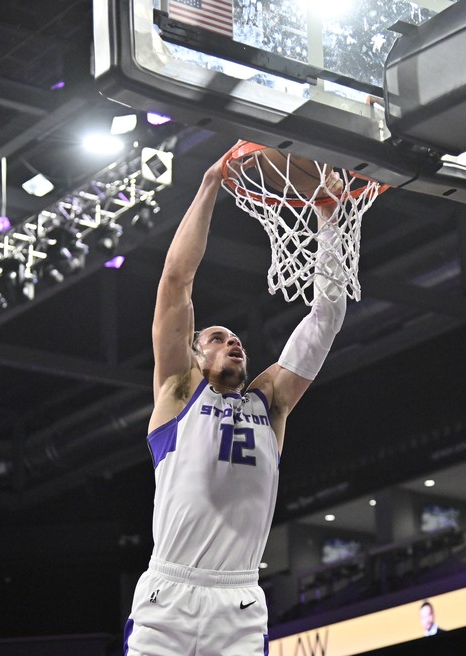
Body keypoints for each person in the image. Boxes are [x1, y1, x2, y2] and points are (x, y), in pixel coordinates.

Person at [121, 146, 348, 655]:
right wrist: (209, 184)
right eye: (218, 337)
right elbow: (175, 284)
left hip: (239, 604)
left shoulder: (270, 403)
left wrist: (329, 221)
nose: (233, 341)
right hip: (168, 597)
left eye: (236, 338)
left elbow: (325, 319)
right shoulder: (180, 391)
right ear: (195, 354)